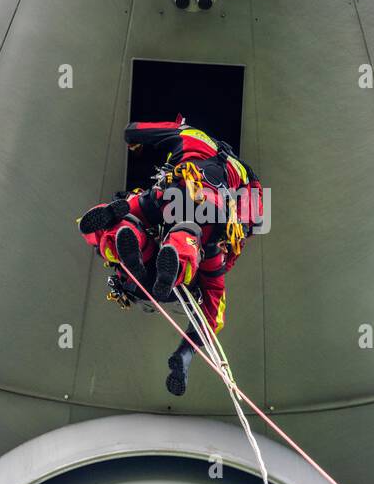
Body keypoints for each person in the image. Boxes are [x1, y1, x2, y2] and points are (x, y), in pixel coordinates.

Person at [76, 116, 263, 395]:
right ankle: (177, 255)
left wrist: (137, 145)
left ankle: (125, 230)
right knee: (191, 243)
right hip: (212, 214)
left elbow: (132, 131)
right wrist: (222, 255)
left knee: (130, 217)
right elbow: (253, 224)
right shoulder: (247, 175)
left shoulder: (190, 134)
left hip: (172, 190)